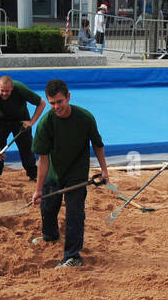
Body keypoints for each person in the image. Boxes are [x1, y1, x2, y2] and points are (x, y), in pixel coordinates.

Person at [31, 79, 110, 268]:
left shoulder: (85, 118)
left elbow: (97, 145)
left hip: (77, 171)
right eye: (52, 103)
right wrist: (38, 189)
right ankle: (50, 236)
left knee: (75, 214)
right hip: (55, 170)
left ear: (68, 97)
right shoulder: (46, 123)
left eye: (59, 101)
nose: (56, 107)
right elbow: (43, 159)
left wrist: (105, 170)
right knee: (48, 208)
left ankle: (72, 256)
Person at [0, 74, 45, 182]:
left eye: (7, 91)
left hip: (21, 119)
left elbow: (42, 103)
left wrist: (31, 122)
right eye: (2, 90)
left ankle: (33, 173)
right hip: (1, 119)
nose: (4, 93)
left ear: (12, 88)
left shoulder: (21, 89)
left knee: (26, 146)